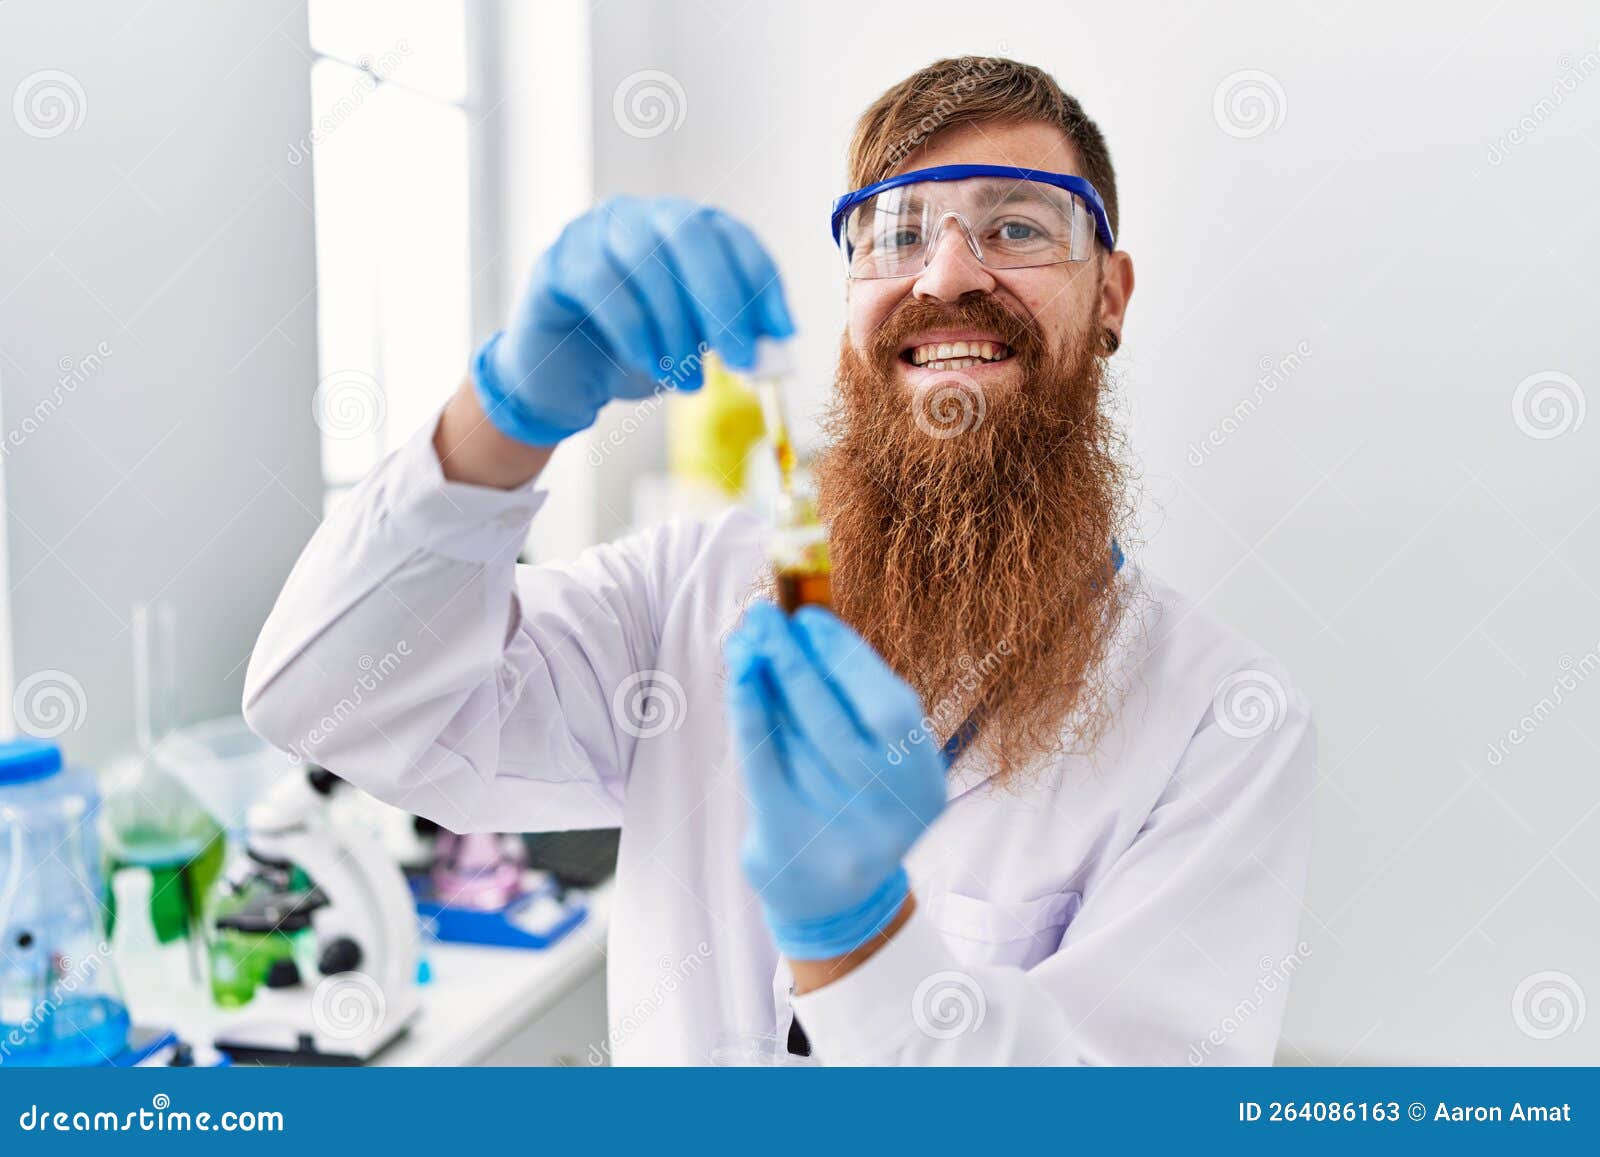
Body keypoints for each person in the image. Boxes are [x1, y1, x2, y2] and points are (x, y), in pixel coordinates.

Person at [244, 57, 1315, 1066]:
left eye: (1017, 225)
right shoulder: (688, 596)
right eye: (896, 231)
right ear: (852, 304)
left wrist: (859, 937)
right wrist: (505, 412)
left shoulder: (1223, 723)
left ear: (1111, 295)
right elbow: (329, 704)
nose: (946, 270)